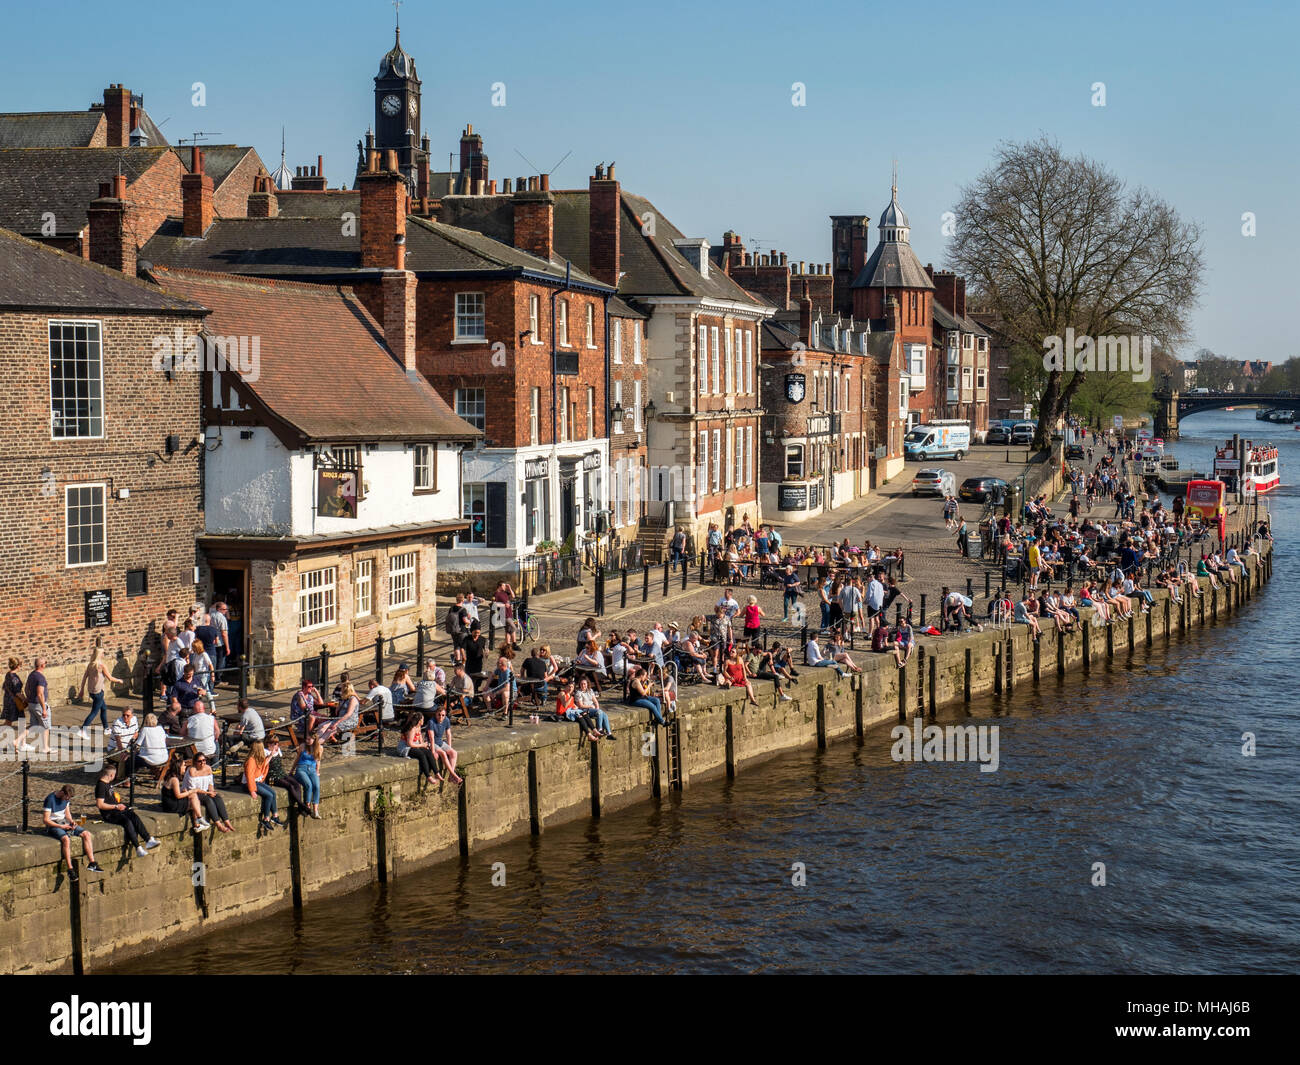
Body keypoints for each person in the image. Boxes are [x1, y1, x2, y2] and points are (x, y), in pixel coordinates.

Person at [94, 764, 161, 856]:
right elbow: (100, 804)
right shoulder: (101, 786)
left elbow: (110, 799)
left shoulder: (108, 783)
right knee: (127, 822)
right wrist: (116, 807)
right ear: (111, 775)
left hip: (116, 809)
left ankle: (148, 839)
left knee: (133, 815)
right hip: (109, 814)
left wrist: (119, 805)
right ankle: (138, 847)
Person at [44, 786, 101, 874]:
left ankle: (92, 863)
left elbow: (67, 813)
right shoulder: (50, 799)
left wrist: (71, 821)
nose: (67, 799)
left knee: (86, 834)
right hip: (53, 825)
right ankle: (70, 869)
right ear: (62, 793)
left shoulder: (66, 799)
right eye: (67, 797)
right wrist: (61, 827)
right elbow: (46, 820)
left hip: (64, 822)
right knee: (66, 839)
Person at [182, 753, 233, 833]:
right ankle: (218, 824)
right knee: (208, 800)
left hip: (205, 791)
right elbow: (194, 789)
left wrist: (211, 791)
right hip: (193, 792)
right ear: (195, 762)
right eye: (200, 761)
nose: (202, 763)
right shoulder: (192, 771)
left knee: (217, 798)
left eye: (204, 760)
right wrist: (208, 793)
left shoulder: (208, 768)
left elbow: (210, 784)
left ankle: (226, 821)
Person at [243, 741, 284, 832]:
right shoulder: (251, 760)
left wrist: (270, 756)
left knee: (273, 792)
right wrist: (252, 790)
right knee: (268, 795)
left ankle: (275, 816)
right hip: (249, 784)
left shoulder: (257, 758)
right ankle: (266, 819)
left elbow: (263, 765)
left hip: (257, 782)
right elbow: (249, 776)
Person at [160, 751, 206, 828]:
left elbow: (173, 792)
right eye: (184, 766)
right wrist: (191, 791)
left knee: (194, 799)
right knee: (194, 797)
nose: (185, 767)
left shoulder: (170, 776)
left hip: (167, 803)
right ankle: (199, 820)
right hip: (171, 806)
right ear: (179, 767)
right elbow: (178, 796)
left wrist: (185, 792)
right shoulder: (174, 780)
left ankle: (197, 823)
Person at [78, 644, 112, 736]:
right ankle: (83, 730)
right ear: (100, 655)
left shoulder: (90, 665)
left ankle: (106, 728)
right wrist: (120, 680)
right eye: (103, 653)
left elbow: (84, 678)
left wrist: (81, 690)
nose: (104, 654)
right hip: (98, 693)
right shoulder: (101, 665)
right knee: (94, 712)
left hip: (92, 692)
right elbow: (110, 678)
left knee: (104, 708)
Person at [426, 705, 462, 783]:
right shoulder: (431, 722)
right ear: (436, 714)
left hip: (440, 742)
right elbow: (431, 738)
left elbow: (448, 734)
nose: (441, 717)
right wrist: (433, 752)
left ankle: (450, 776)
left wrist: (449, 747)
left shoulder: (446, 720)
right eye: (439, 715)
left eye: (443, 715)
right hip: (432, 743)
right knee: (443, 753)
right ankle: (454, 775)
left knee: (454, 753)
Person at [24, 657, 51, 755]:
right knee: (45, 726)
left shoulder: (31, 675)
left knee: (33, 727)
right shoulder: (40, 677)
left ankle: (18, 741)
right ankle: (45, 748)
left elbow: (26, 688)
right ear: (42, 665)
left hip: (31, 704)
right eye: (45, 663)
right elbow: (40, 694)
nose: (46, 664)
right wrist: (44, 708)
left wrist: (28, 698)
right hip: (39, 705)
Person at [2, 656, 28, 750]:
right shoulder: (15, 678)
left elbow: (4, 687)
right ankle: (22, 744)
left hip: (7, 700)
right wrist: (25, 699)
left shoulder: (8, 675)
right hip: (15, 702)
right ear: (18, 666)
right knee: (22, 722)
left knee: (8, 722)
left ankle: (22, 743)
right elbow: (17, 693)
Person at [294, 736, 323, 818]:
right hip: (301, 768)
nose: (307, 741)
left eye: (309, 739)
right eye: (306, 739)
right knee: (308, 785)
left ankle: (315, 810)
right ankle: (307, 807)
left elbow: (318, 761)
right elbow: (297, 758)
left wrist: (317, 771)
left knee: (316, 786)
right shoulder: (303, 746)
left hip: (312, 769)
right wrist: (292, 770)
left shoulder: (320, 748)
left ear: (314, 740)